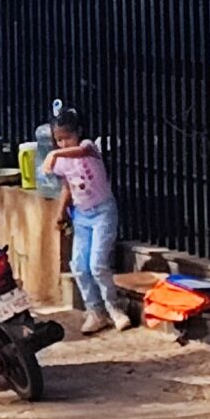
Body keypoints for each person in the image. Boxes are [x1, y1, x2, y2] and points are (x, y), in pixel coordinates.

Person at [43, 107, 131, 334]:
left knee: (98, 264)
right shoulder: (63, 162)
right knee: (80, 267)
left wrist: (54, 154)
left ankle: (114, 308)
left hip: (103, 212)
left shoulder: (90, 148)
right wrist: (61, 213)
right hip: (81, 216)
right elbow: (67, 188)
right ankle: (96, 311)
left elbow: (81, 150)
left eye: (67, 138)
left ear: (78, 132)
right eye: (58, 140)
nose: (63, 144)